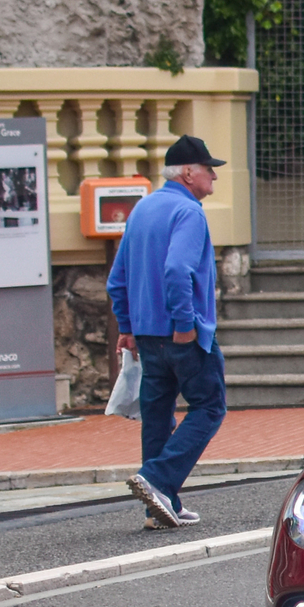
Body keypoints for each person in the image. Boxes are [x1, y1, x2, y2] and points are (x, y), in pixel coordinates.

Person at [109, 136, 229, 529]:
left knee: (157, 416)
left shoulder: (142, 209)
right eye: (208, 168)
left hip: (146, 333)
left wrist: (126, 327)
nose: (213, 175)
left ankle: (161, 507)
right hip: (182, 334)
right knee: (209, 407)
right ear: (189, 173)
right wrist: (184, 325)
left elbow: (117, 278)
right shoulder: (188, 212)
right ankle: (157, 480)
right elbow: (178, 270)